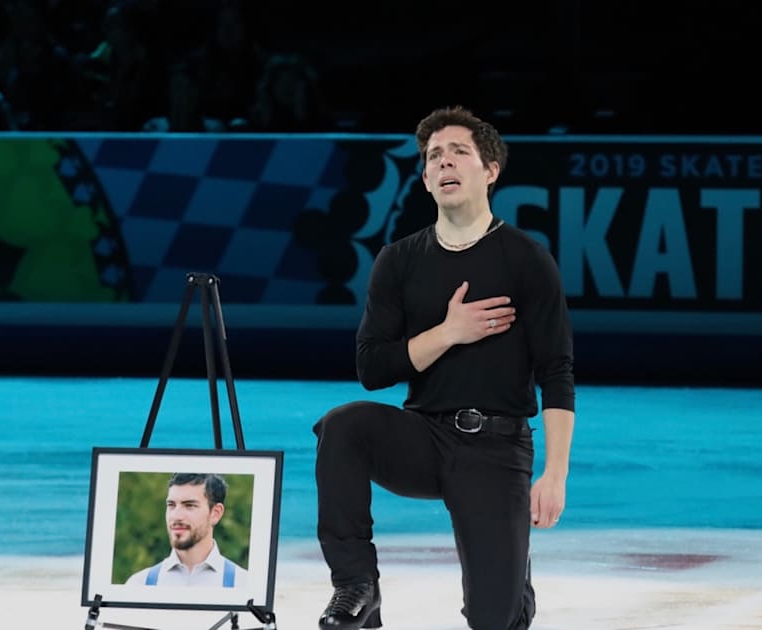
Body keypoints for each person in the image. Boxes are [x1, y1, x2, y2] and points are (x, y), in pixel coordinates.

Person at [313, 105, 575, 629]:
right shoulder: (400, 260)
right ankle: (356, 586)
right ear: (427, 178)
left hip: (496, 449)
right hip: (423, 438)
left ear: (490, 170)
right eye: (434, 156)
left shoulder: (526, 259)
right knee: (344, 425)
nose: (444, 162)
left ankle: (510, 571)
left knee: (493, 620)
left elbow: (556, 371)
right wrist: (448, 333)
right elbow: (372, 367)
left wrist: (555, 473)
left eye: (459, 152)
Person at [124, 473, 248, 588]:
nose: (176, 516)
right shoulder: (139, 584)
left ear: (215, 513)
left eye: (189, 505)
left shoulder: (244, 585)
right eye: (171, 505)